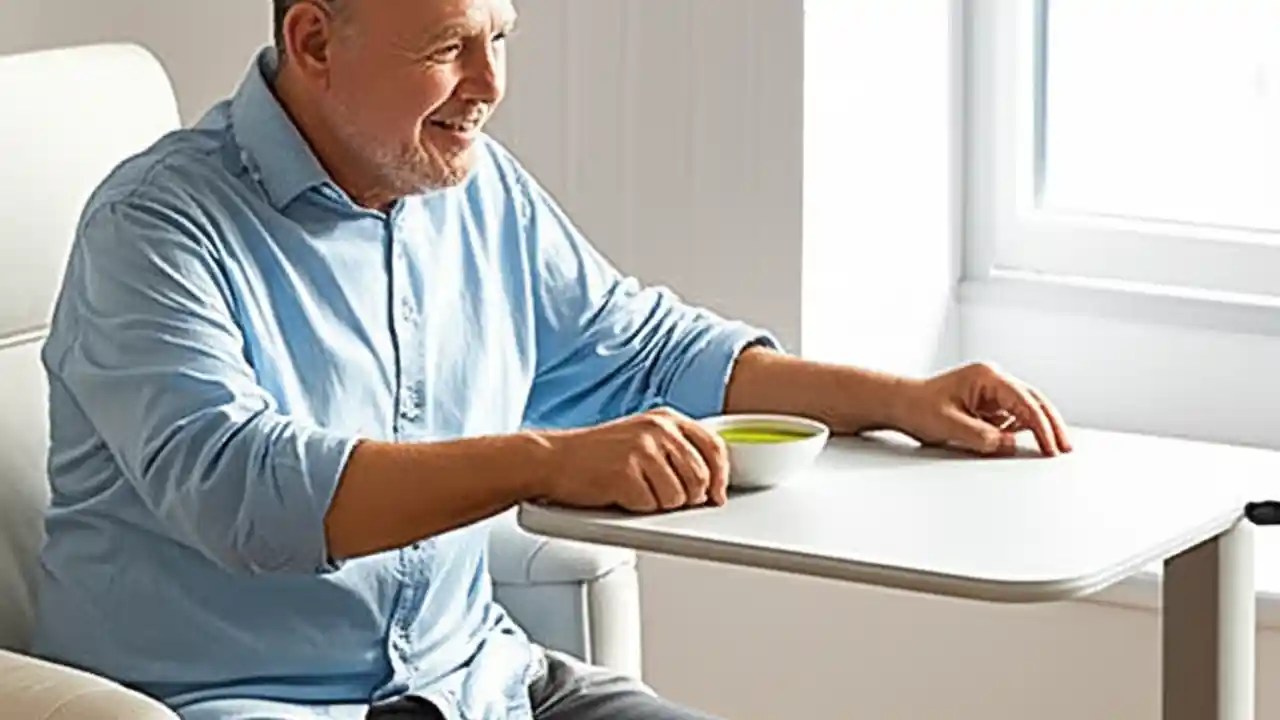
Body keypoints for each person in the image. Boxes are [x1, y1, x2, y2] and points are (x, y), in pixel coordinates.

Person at [32, 0, 1073, 718]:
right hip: (236, 702)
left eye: (501, 34)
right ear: (313, 39)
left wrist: (900, 400)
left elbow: (641, 349)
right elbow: (242, 493)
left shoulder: (471, 191)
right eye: (448, 45)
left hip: (475, 687)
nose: (488, 84)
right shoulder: (158, 228)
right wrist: (544, 460)